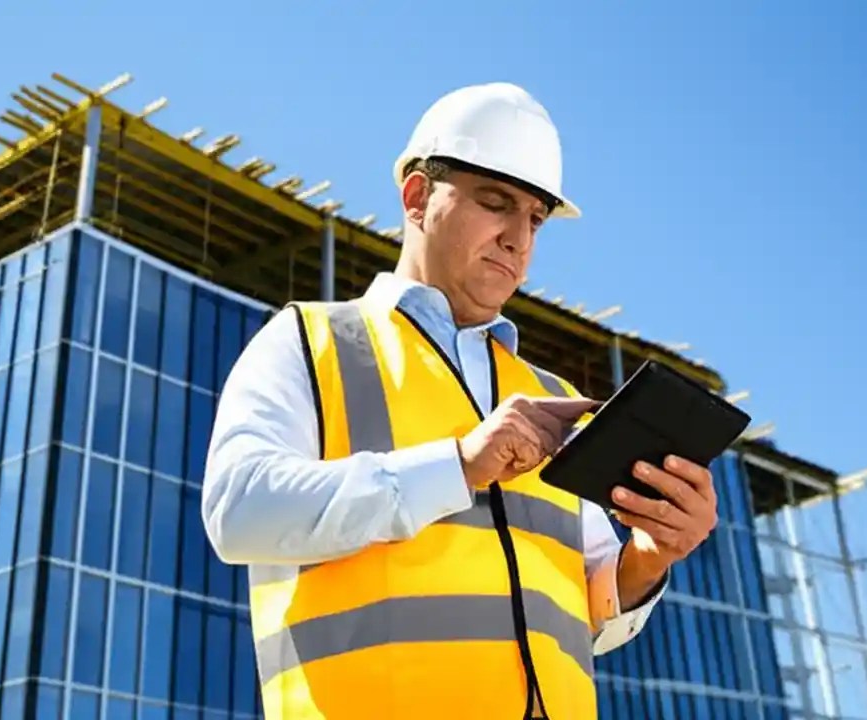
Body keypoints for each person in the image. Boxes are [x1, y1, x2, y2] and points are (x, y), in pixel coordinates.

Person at [201, 82, 719, 719]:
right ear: (418, 197)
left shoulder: (550, 398)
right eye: (496, 203)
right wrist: (457, 466)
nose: (518, 239)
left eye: (535, 218)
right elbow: (237, 511)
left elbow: (584, 615)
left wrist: (651, 552)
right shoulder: (313, 342)